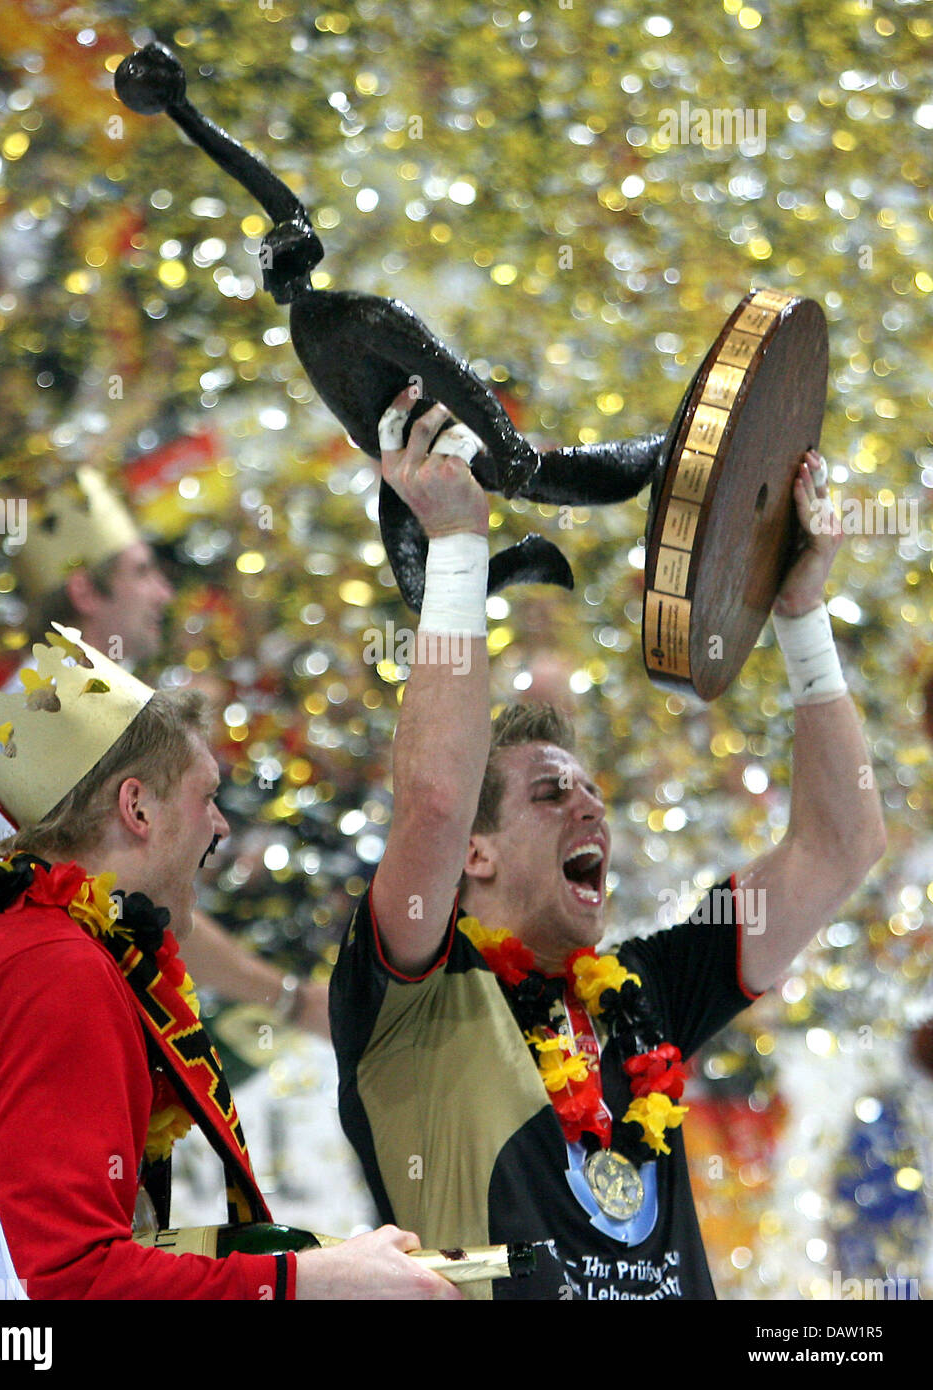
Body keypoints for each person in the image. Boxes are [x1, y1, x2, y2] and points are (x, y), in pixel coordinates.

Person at [329, 386, 887, 1299]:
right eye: (551, 796)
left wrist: (800, 612)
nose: (591, 812)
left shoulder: (647, 992)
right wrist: (461, 547)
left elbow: (841, 844)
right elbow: (433, 801)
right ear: (478, 854)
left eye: (593, 793)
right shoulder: (413, 999)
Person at [0, 624, 456, 1299]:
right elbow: (73, 1284)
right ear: (136, 807)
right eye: (206, 795)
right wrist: (311, 1281)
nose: (221, 826)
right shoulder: (57, 968)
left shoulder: (5, 947)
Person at [0, 466, 328, 1037]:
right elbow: (141, 900)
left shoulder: (43, 696)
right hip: (40, 1021)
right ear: (85, 590)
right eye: (142, 572)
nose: (163, 592)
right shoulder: (69, 710)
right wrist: (295, 1004)